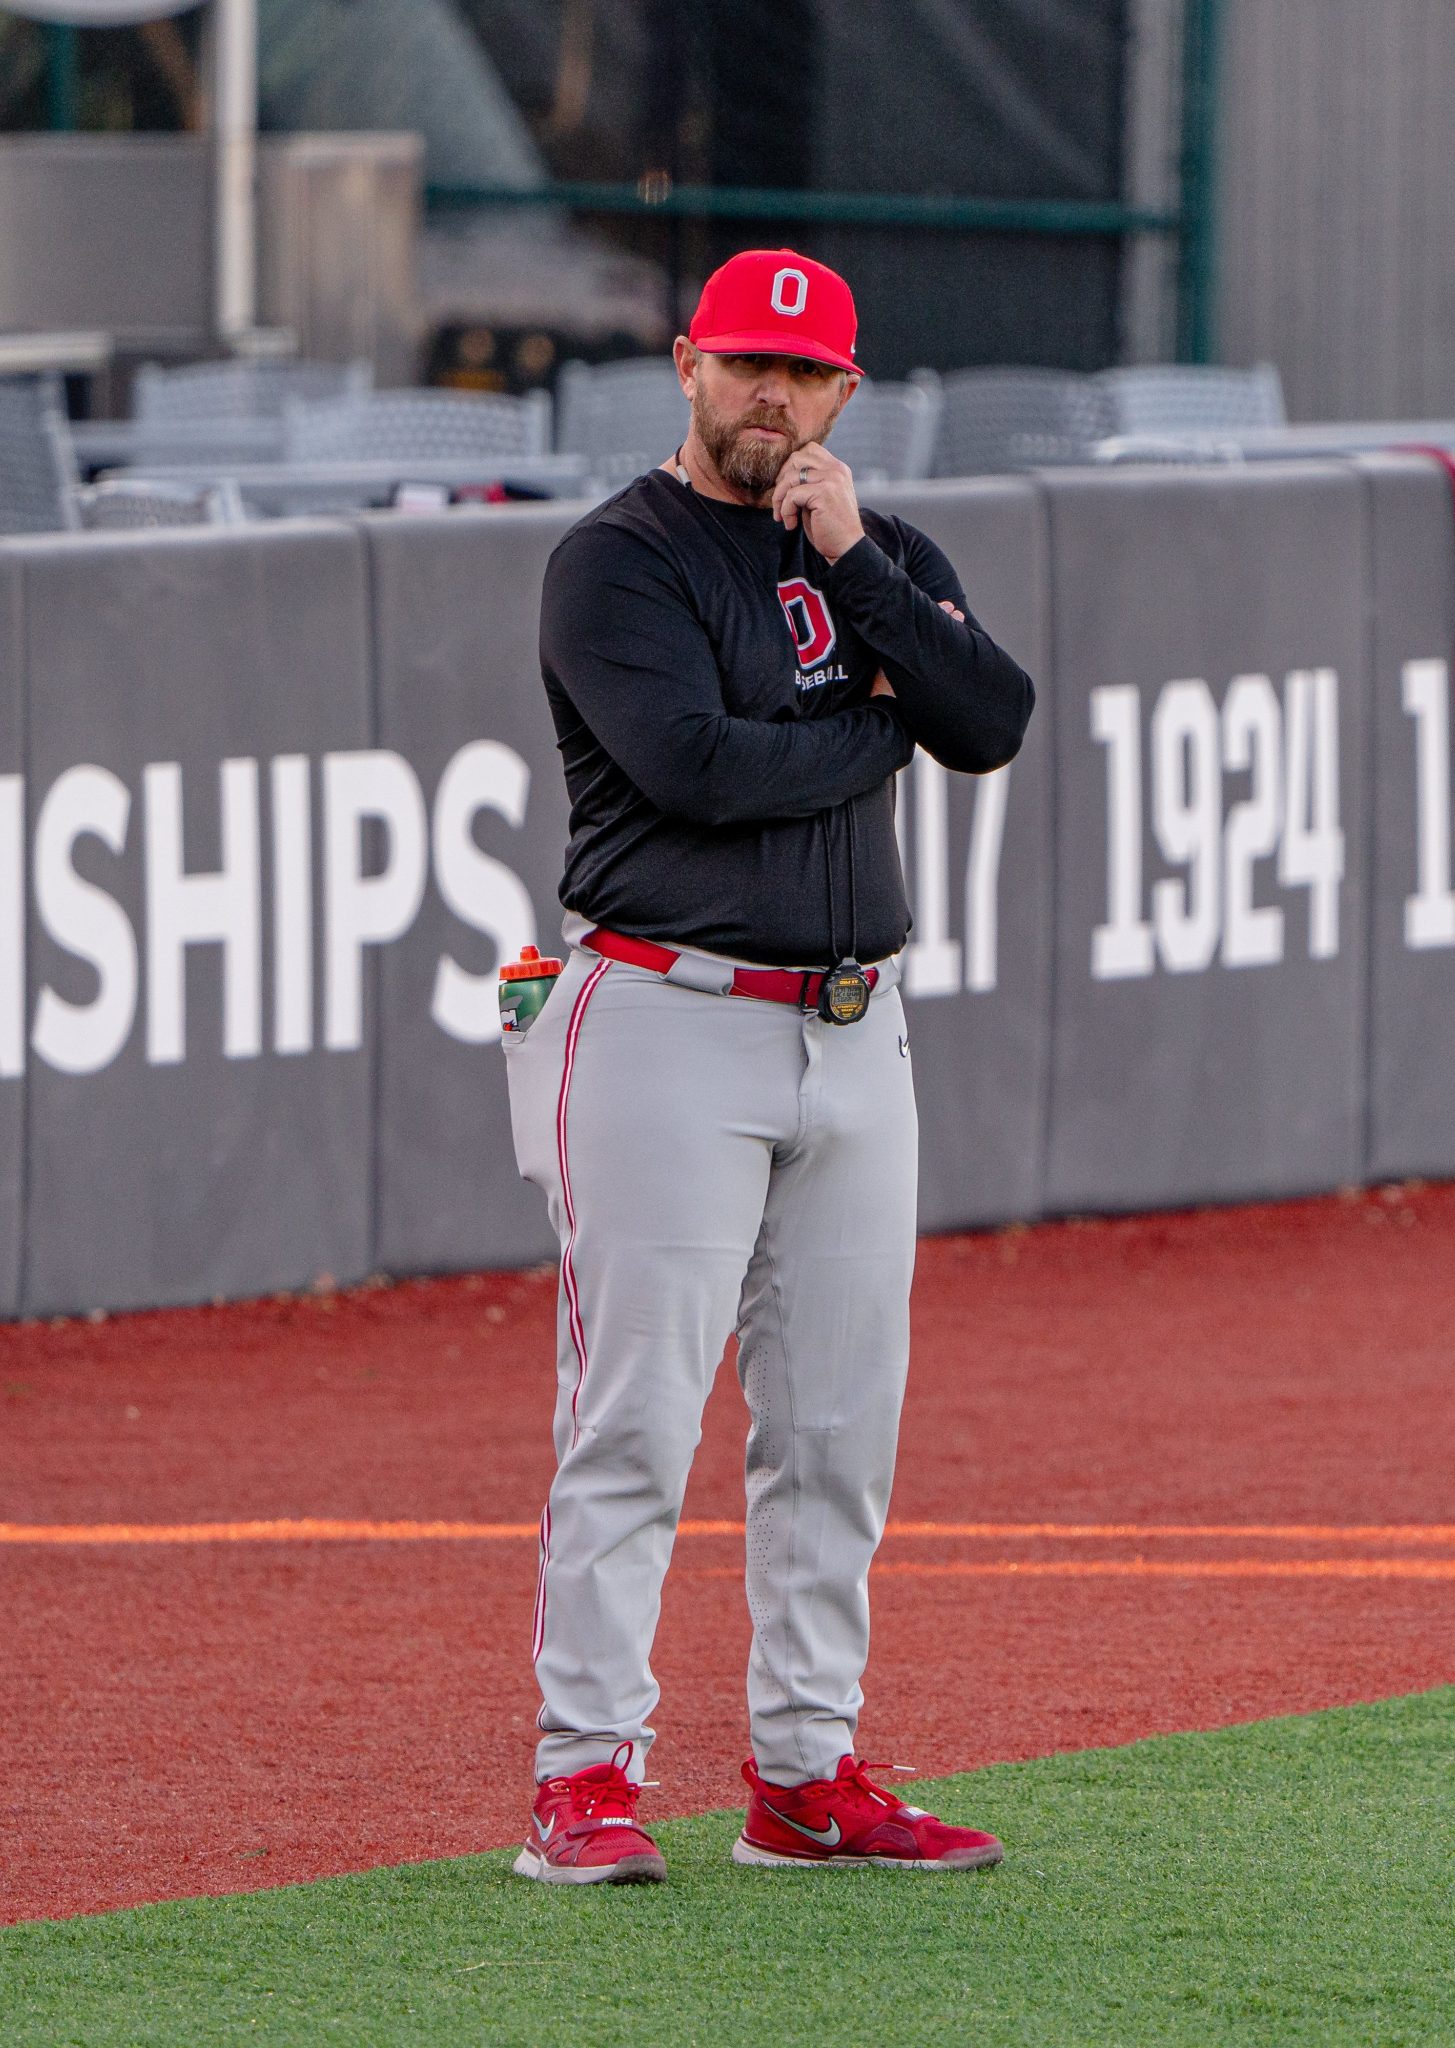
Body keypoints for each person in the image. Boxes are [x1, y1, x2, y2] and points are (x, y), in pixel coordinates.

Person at [505, 247, 1035, 1884]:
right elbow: (696, 768)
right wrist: (883, 723)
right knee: (637, 1417)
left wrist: (863, 568)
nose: (771, 397)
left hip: (856, 1025)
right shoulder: (618, 560)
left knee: (837, 1430)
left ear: (846, 394)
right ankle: (583, 1777)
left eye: (802, 374)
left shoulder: (868, 548)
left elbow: (996, 714)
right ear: (685, 365)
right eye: (745, 364)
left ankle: (806, 1775)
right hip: (663, 1013)